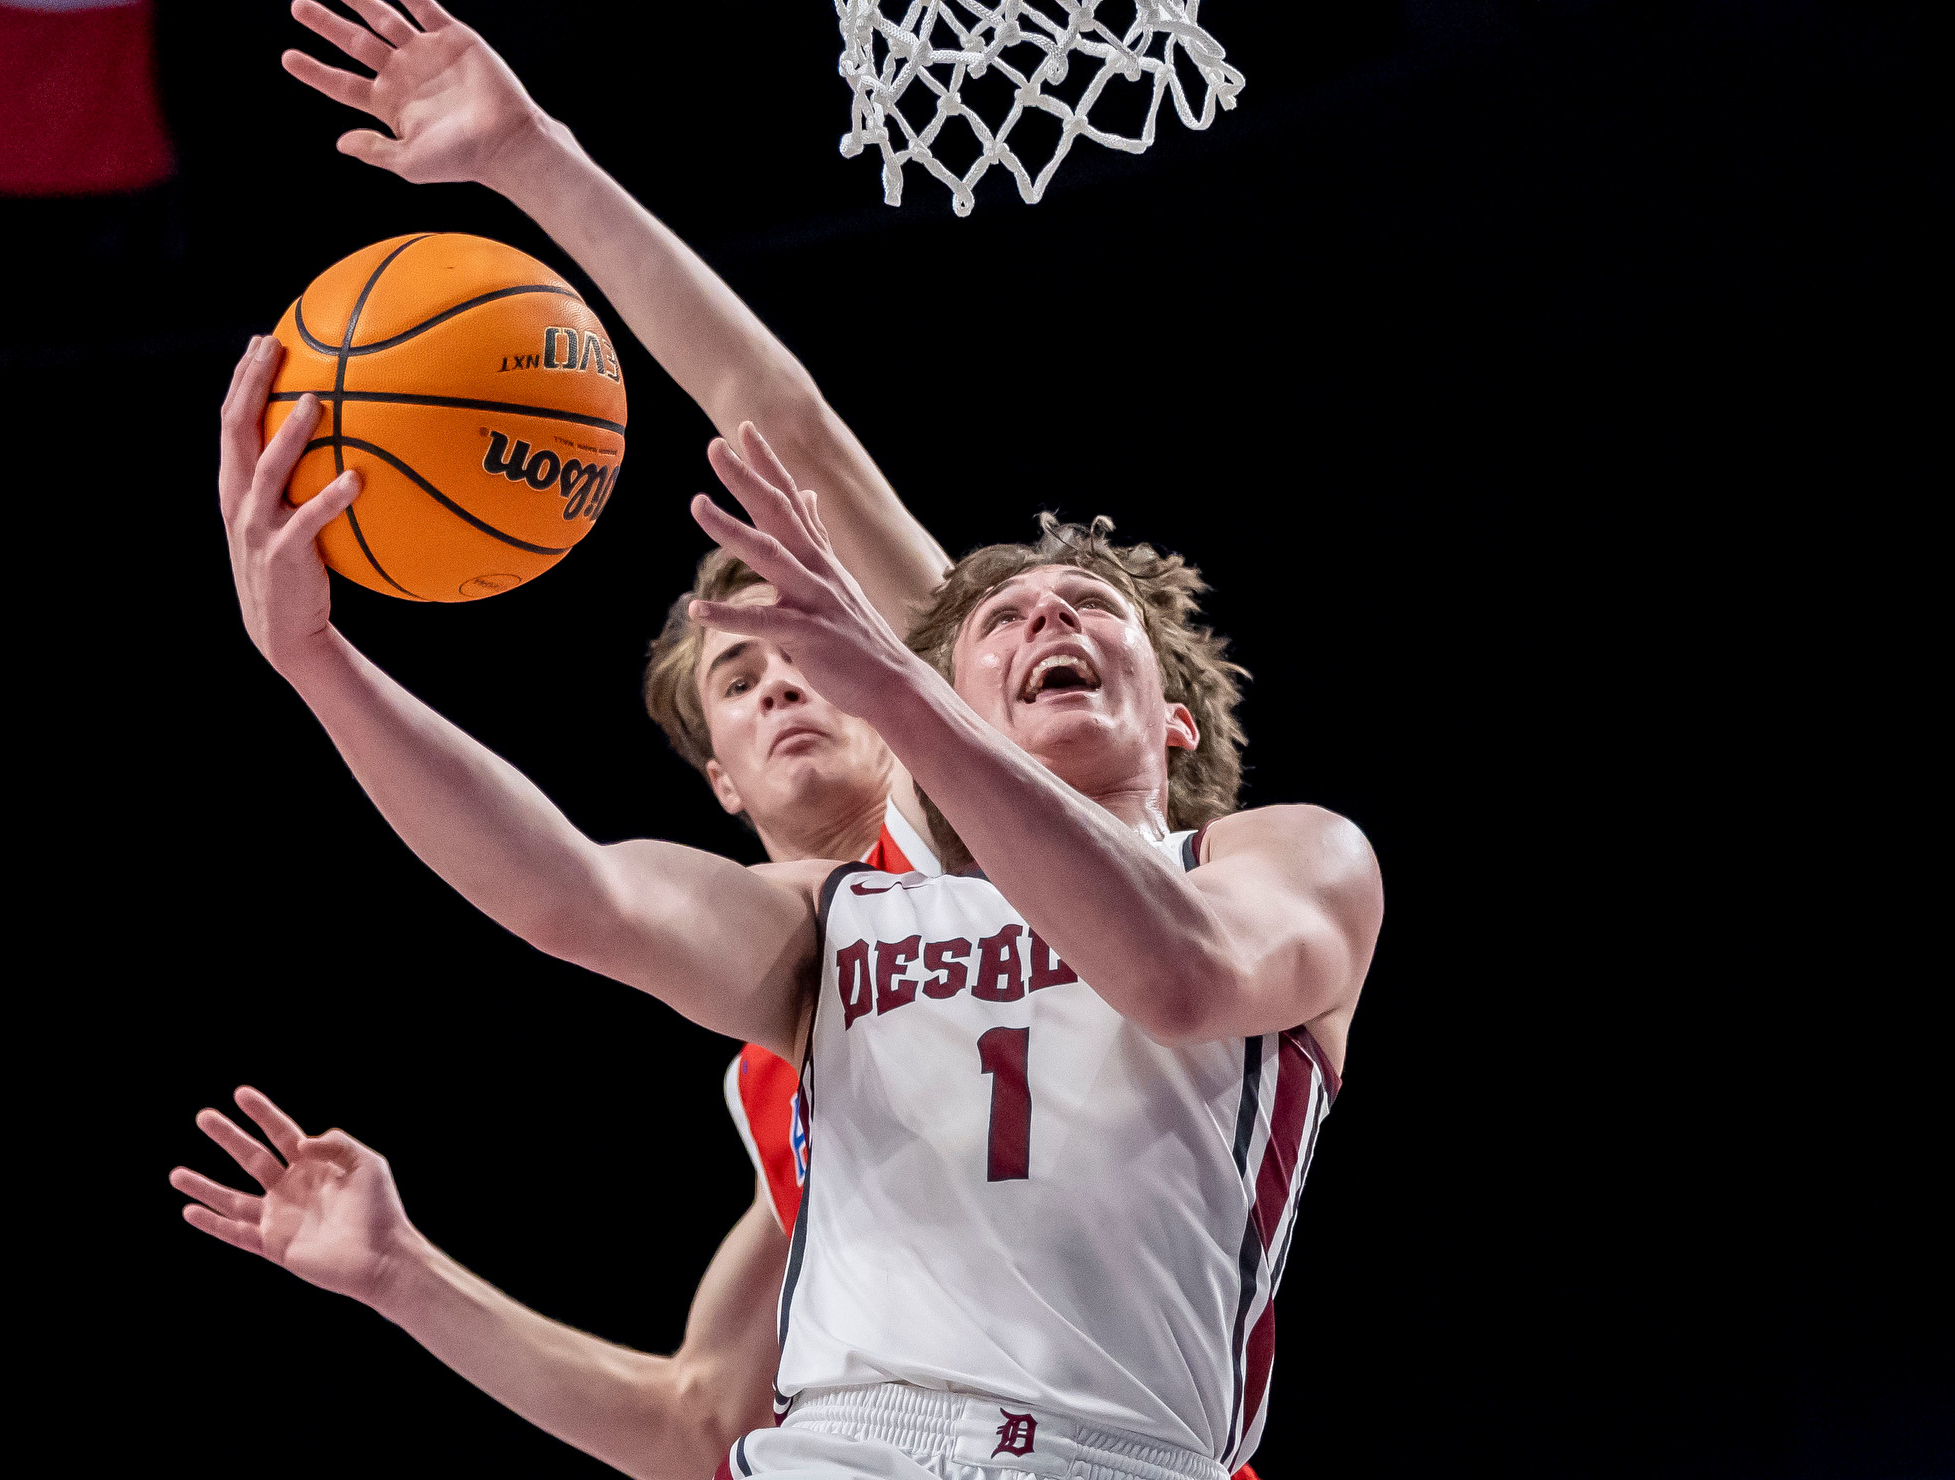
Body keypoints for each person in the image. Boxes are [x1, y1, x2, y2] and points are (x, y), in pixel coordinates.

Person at [179, 339, 1381, 1480]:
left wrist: (900, 691)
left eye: (1088, 603)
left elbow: (1179, 975)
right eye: (1003, 617)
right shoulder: (838, 920)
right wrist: (317, 661)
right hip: (839, 1444)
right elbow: (570, 889)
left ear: (1173, 716)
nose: (1049, 616)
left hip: (1119, 1451)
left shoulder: (1279, 858)